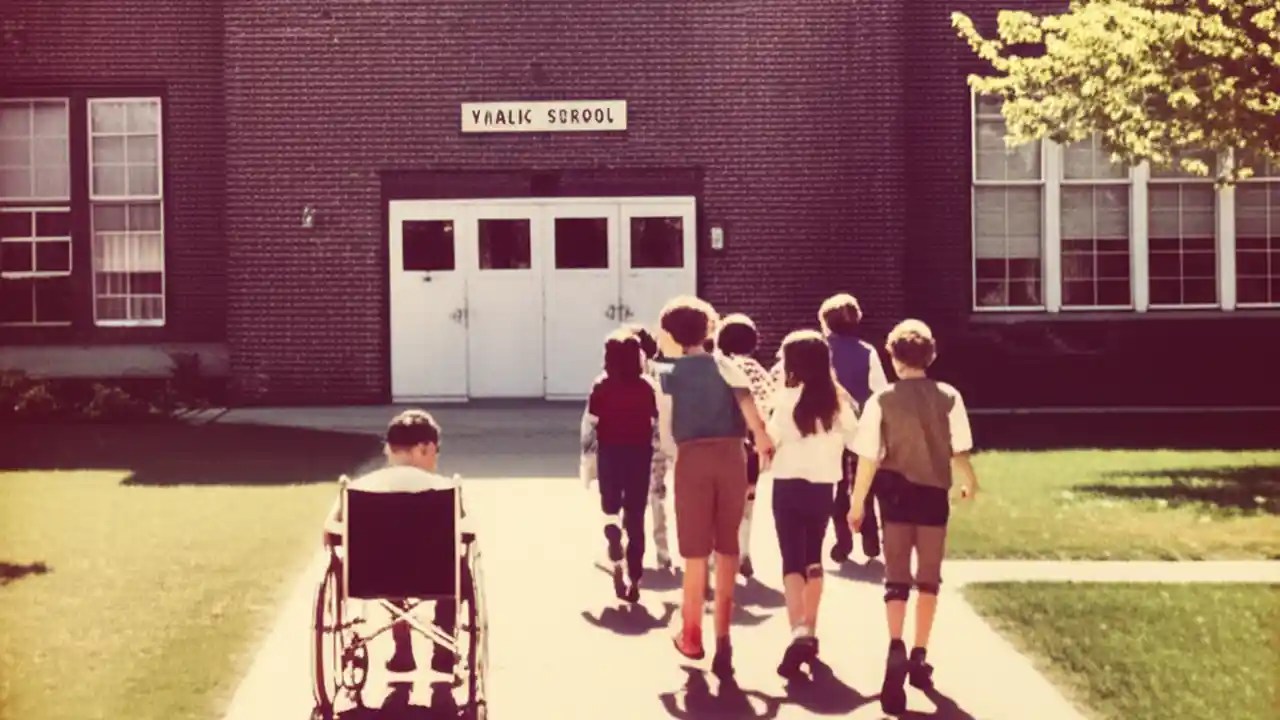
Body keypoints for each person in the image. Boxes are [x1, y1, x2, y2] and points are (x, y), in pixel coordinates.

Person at [848, 319, 978, 715]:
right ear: (931, 355)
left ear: (892, 357)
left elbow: (868, 457)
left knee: (896, 575)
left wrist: (856, 505)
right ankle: (921, 651)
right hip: (933, 495)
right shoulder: (949, 396)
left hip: (894, 497)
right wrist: (969, 481)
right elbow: (959, 449)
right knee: (929, 578)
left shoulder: (881, 400)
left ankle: (895, 646)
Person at [658, 295, 775, 678]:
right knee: (727, 547)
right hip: (731, 457)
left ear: (671, 336)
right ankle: (724, 638)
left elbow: (664, 432)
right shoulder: (727, 367)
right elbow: (753, 417)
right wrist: (761, 442)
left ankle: (692, 633)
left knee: (694, 552)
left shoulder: (667, 375)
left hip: (691, 460)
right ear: (709, 330)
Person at [322, 409, 460, 676]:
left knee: (389, 560)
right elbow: (468, 530)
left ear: (389, 449)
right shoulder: (445, 489)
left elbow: (330, 530)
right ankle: (444, 650)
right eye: (436, 451)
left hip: (371, 578)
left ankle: (402, 649)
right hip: (436, 577)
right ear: (426, 448)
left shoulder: (358, 488)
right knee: (457, 562)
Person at [766, 330, 859, 678]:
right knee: (813, 556)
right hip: (823, 487)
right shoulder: (837, 401)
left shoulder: (785, 399)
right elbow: (857, 436)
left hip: (787, 483)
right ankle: (812, 628)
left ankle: (798, 631)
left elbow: (770, 439)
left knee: (791, 558)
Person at [579, 329, 660, 602]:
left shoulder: (601, 386)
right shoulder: (646, 387)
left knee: (610, 505)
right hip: (639, 454)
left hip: (610, 454)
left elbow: (591, 424)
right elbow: (654, 422)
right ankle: (635, 576)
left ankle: (614, 543)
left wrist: (586, 455)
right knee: (636, 514)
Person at [820, 293, 890, 563]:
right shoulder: (867, 350)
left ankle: (842, 541)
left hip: (829, 425)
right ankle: (870, 537)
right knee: (864, 484)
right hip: (860, 425)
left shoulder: (820, 349)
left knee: (837, 485)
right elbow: (879, 390)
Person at [715, 313, 777, 579]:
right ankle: (744, 553)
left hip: (718, 442)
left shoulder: (715, 366)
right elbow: (768, 403)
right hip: (748, 446)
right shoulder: (753, 369)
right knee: (747, 502)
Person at [625, 323, 676, 571]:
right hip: (659, 443)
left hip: (629, 444)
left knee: (630, 500)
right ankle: (662, 550)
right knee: (657, 496)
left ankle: (629, 548)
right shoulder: (668, 372)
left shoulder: (619, 375)